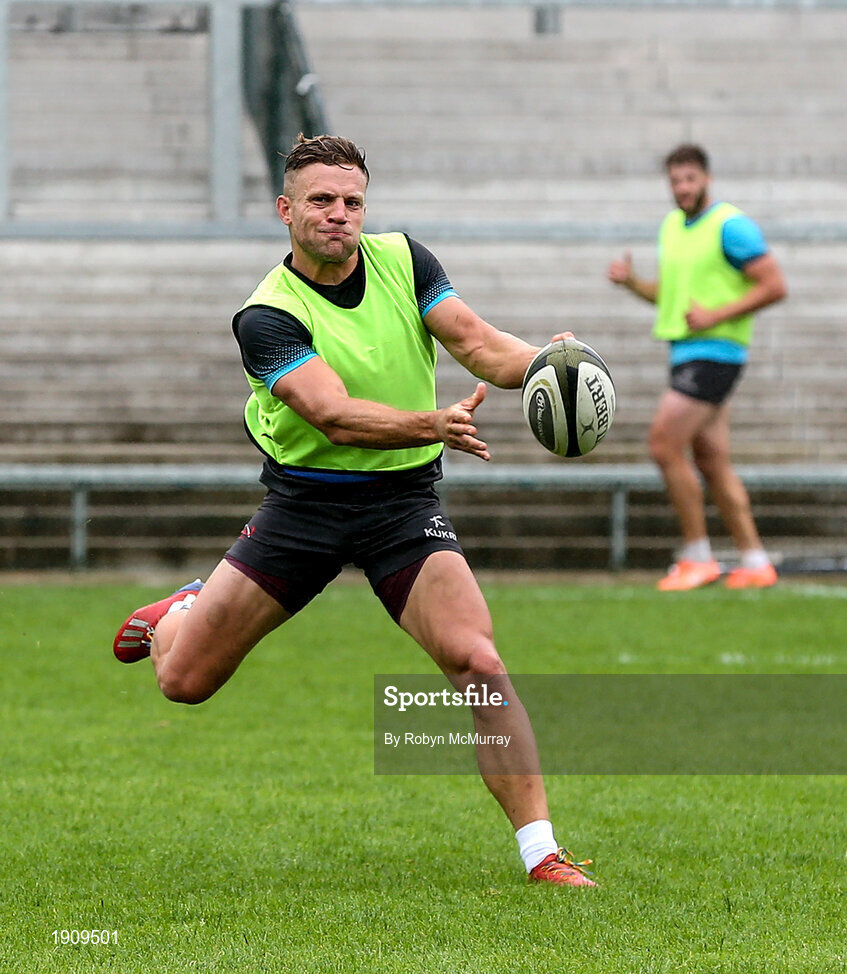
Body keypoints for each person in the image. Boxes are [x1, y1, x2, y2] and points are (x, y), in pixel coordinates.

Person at [113, 134, 595, 887]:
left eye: (352, 202)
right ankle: (182, 610)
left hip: (401, 505)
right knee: (184, 682)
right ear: (285, 211)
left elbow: (476, 343)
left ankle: (543, 855)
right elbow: (332, 415)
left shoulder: (405, 261)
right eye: (321, 201)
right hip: (304, 505)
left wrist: (544, 363)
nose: (339, 215)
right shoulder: (265, 316)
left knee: (479, 663)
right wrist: (430, 425)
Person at [608, 143, 787, 591]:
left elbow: (774, 285)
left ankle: (698, 556)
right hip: (686, 353)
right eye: (675, 181)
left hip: (717, 353)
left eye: (689, 179)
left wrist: (715, 315)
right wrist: (631, 283)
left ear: (706, 178)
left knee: (663, 445)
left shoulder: (731, 226)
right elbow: (666, 296)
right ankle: (754, 560)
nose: (682, 188)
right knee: (711, 459)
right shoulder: (671, 226)